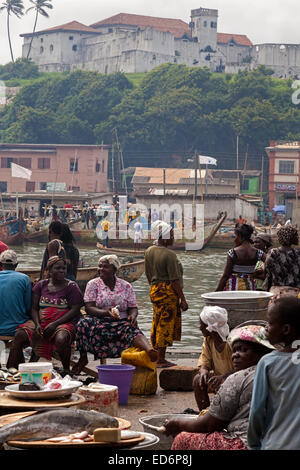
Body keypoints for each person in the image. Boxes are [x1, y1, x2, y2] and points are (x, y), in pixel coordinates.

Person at [164, 324, 274, 450]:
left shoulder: (239, 378)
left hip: (250, 443)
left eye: (243, 350)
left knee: (182, 438)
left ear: (262, 352)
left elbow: (209, 425)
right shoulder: (282, 373)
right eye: (235, 351)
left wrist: (177, 422)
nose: (235, 355)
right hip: (279, 440)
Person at [72, 255, 158, 375]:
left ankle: (149, 350)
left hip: (120, 322)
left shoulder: (126, 286)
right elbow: (89, 307)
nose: (101, 269)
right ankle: (83, 358)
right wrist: (106, 312)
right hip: (99, 320)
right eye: (100, 266)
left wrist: (133, 316)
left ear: (114, 270)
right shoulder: (93, 284)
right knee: (82, 324)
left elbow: (133, 307)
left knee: (131, 328)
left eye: (105, 267)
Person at [7, 257, 83, 372]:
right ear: (49, 271)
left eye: (64, 268)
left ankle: (66, 369)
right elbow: (34, 308)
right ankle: (13, 369)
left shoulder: (72, 287)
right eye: (57, 268)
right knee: (19, 335)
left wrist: (55, 324)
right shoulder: (41, 285)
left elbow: (75, 309)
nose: (61, 271)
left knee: (61, 339)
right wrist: (37, 324)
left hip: (63, 322)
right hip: (41, 321)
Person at [248, 296, 300, 450]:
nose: (266, 328)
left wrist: (254, 444)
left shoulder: (268, 363)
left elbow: (257, 411)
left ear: (285, 329)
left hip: (276, 444)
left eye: (270, 323)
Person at [145, 220, 188, 368]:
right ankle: (160, 359)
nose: (173, 238)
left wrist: (154, 288)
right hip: (168, 292)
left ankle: (156, 354)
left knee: (156, 321)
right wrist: (183, 299)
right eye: (171, 235)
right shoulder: (169, 255)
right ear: (163, 238)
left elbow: (148, 273)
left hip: (155, 290)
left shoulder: (149, 250)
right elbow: (175, 280)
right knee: (165, 324)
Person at [193, 306, 234, 412]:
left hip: (235, 382)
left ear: (210, 327)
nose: (200, 327)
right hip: (219, 383)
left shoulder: (231, 343)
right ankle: (204, 413)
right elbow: (204, 362)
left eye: (202, 324)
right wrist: (203, 372)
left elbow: (244, 370)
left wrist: (223, 377)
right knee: (198, 380)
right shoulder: (208, 340)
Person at [216, 224, 265, 291]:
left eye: (235, 237)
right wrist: (258, 273)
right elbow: (271, 266)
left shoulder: (232, 253)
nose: (234, 240)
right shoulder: (259, 253)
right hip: (250, 288)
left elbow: (225, 275)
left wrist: (217, 291)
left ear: (240, 236)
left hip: (233, 288)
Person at [264, 225, 300, 301]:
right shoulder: (297, 253)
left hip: (276, 293)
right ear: (289, 237)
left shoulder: (273, 253)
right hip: (295, 293)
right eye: (295, 235)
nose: (298, 237)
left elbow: (267, 273)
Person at [0, 250, 31, 337]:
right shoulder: (24, 279)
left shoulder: (24, 279)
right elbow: (28, 307)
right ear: (16, 264)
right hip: (16, 328)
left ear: (0, 265)